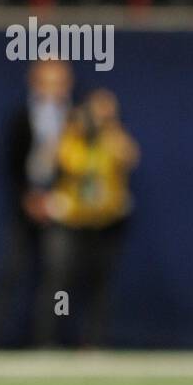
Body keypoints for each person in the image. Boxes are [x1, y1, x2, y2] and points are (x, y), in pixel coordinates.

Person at [0, 57, 73, 348]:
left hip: (60, 203)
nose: (52, 89)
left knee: (57, 274)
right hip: (25, 202)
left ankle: (45, 341)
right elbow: (11, 162)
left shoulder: (75, 119)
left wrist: (59, 198)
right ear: (34, 83)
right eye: (46, 81)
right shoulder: (21, 116)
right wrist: (28, 198)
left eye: (58, 82)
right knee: (9, 271)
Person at [33, 90, 139, 347]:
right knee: (57, 281)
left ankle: (93, 344)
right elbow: (43, 165)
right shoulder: (70, 137)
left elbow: (131, 157)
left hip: (106, 223)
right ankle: (44, 341)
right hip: (70, 222)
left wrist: (110, 126)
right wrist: (71, 126)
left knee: (100, 287)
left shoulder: (113, 140)